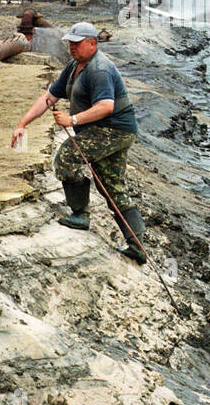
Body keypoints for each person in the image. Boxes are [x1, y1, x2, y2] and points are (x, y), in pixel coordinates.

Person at [11, 22, 145, 263]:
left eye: (77, 43)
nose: (72, 48)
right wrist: (23, 123)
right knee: (111, 186)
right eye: (70, 43)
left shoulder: (99, 69)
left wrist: (72, 120)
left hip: (113, 130)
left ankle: (80, 214)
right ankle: (137, 245)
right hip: (109, 131)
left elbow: (106, 106)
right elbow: (49, 97)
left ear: (92, 43)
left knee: (66, 157)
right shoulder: (75, 66)